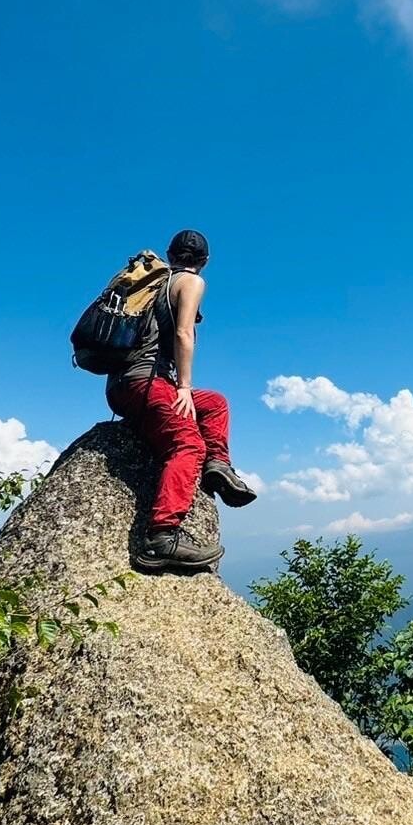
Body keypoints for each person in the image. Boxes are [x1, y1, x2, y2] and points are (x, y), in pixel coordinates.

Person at [106, 229, 257, 570]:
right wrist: (184, 387)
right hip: (148, 384)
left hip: (122, 387)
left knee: (215, 403)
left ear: (170, 254)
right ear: (205, 261)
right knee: (188, 445)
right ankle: (161, 537)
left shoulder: (151, 283)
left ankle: (218, 466)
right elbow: (183, 333)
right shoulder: (189, 282)